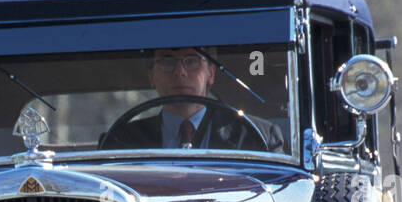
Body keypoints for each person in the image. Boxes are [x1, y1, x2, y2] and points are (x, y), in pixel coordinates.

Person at [102, 46, 285, 152]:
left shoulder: (256, 137)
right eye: (167, 62)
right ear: (151, 76)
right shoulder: (121, 141)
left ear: (210, 74)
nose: (180, 72)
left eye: (191, 61)